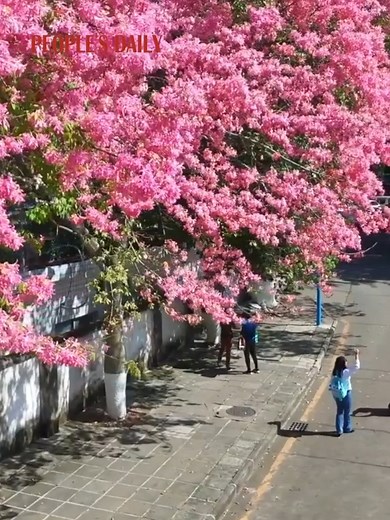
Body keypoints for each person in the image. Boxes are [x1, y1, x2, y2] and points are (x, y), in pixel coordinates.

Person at [329, 349, 360, 436]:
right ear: (343, 364)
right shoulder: (346, 372)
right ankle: (347, 428)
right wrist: (356, 355)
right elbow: (357, 367)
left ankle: (339, 429)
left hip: (336, 394)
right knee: (347, 411)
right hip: (346, 393)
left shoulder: (334, 372)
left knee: (339, 411)